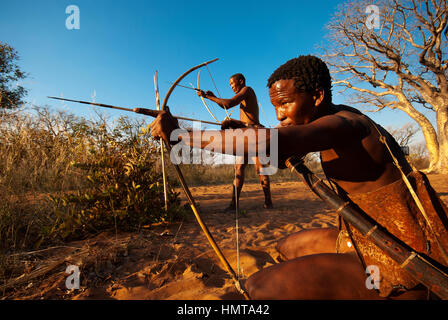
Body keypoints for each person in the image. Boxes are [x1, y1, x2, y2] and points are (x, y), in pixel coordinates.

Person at [150, 55, 448, 299]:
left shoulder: (344, 125)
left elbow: (271, 143)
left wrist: (181, 135)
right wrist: (246, 134)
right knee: (287, 246)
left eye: (285, 103)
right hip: (365, 237)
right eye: (275, 106)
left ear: (317, 96)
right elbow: (279, 150)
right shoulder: (336, 118)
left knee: (259, 287)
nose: (279, 115)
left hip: (400, 262)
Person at [197, 73, 273, 211]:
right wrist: (232, 122)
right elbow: (244, 122)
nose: (232, 87)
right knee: (238, 168)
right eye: (230, 85)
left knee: (261, 169)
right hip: (245, 135)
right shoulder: (243, 96)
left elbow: (229, 104)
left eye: (233, 84)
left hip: (255, 134)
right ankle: (233, 204)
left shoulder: (247, 90)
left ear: (241, 81)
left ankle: (268, 202)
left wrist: (208, 96)